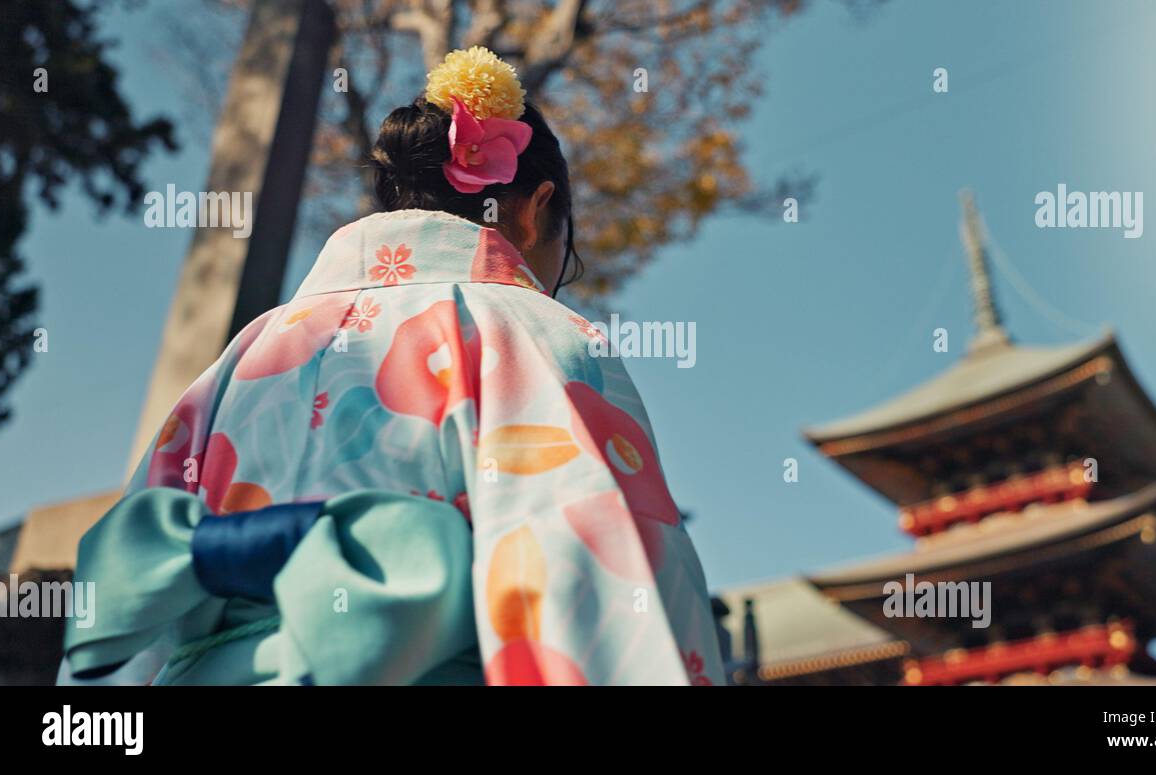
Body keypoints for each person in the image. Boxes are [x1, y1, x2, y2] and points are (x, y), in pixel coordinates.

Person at [62, 46, 724, 686]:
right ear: (537, 205)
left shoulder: (241, 358)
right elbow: (608, 582)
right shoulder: (536, 331)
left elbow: (123, 615)